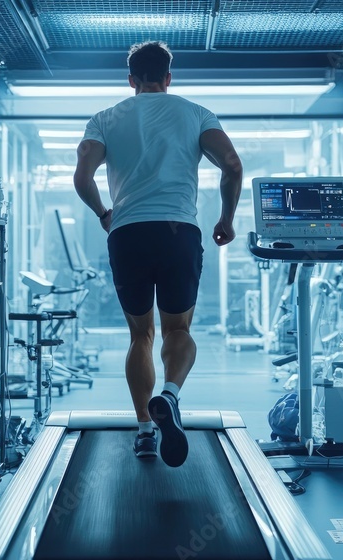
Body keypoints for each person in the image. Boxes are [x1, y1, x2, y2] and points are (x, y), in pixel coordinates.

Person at [73, 41, 243, 467]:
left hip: (129, 233)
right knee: (178, 332)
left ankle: (146, 432)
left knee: (140, 336)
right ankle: (169, 395)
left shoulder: (105, 118)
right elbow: (233, 165)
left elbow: (82, 175)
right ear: (169, 77)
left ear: (131, 80)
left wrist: (103, 213)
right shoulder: (196, 113)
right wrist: (226, 218)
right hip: (178, 233)